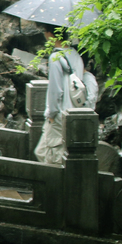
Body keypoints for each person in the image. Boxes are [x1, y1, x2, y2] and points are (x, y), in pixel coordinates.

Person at [33, 24, 83, 165]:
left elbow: (56, 90)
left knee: (53, 157)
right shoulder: (75, 54)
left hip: (60, 114)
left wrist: (51, 114)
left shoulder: (55, 58)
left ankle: (56, 186)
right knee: (42, 151)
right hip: (75, 111)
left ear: (50, 34)